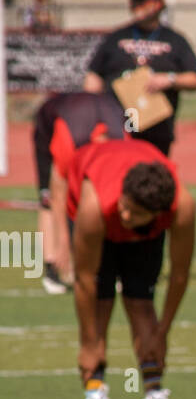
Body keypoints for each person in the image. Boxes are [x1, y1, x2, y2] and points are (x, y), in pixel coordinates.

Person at [67, 137, 196, 399]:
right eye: (126, 207)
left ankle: (154, 394)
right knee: (100, 302)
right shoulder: (94, 207)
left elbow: (179, 274)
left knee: (141, 302)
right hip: (97, 210)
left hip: (144, 232)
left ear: (159, 213)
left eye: (136, 214)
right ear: (123, 194)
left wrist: (163, 333)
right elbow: (83, 279)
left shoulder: (182, 207)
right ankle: (95, 395)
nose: (126, 217)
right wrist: (88, 343)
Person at [83, 0, 196, 156]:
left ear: (157, 4)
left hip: (156, 127)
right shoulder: (116, 37)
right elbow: (93, 77)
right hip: (118, 125)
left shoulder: (175, 40)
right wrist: (93, 108)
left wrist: (169, 79)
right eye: (133, 0)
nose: (135, 5)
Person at [32, 90, 127, 294]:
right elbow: (58, 194)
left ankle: (109, 264)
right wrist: (64, 245)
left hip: (100, 110)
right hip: (53, 123)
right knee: (47, 198)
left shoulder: (123, 143)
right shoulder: (70, 142)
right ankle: (54, 268)